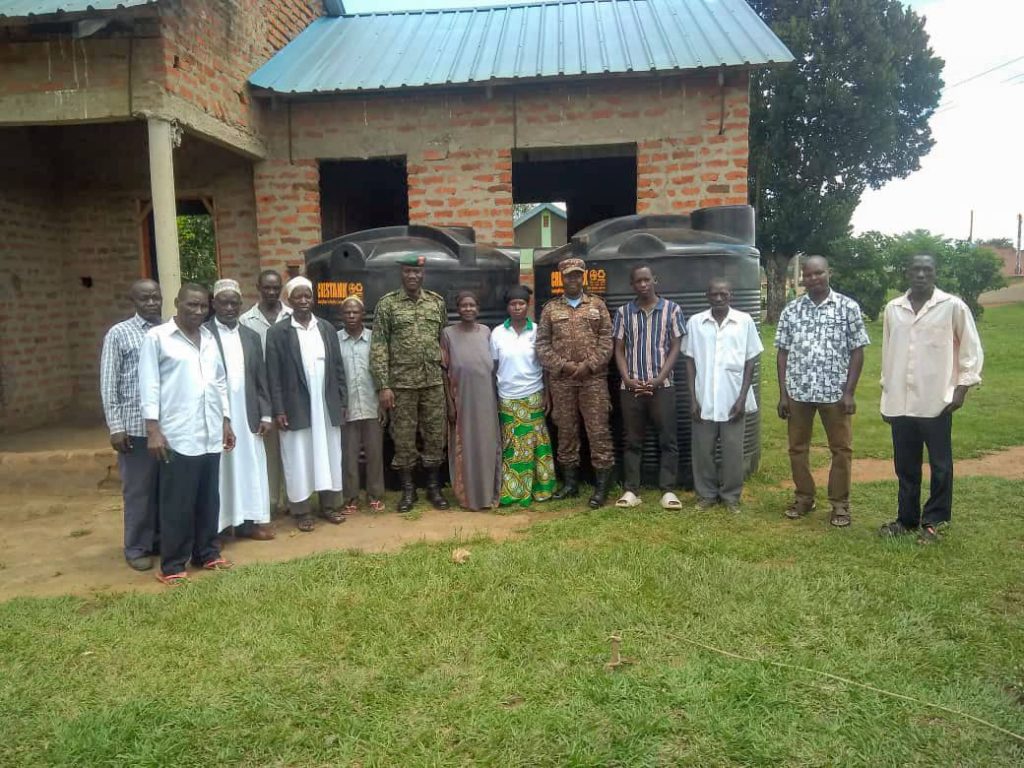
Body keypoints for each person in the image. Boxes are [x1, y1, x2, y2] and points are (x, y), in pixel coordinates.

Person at [878, 254, 984, 543]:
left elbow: (970, 350)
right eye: (916, 269)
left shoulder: (951, 307)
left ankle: (934, 521)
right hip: (901, 401)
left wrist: (961, 388)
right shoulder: (894, 309)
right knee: (905, 466)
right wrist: (887, 393)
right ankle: (907, 519)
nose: (921, 275)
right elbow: (889, 354)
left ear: (935, 273)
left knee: (940, 465)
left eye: (927, 270)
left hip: (937, 400)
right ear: (907, 272)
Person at [139, 283, 235, 585]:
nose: (197, 311)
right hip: (177, 435)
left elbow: (219, 381)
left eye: (203, 306)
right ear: (177, 303)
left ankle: (207, 553)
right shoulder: (157, 339)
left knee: (208, 499)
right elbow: (149, 384)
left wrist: (226, 420)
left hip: (209, 433)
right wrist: (152, 430)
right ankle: (172, 565)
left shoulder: (208, 337)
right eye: (191, 305)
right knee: (176, 503)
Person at [775, 255, 869, 527]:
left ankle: (840, 504)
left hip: (835, 393)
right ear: (802, 277)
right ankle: (804, 497)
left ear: (829, 273)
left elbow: (857, 351)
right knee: (797, 448)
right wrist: (783, 394)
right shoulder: (791, 310)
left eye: (819, 273)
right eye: (809, 274)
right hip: (799, 391)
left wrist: (849, 392)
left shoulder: (847, 307)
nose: (814, 278)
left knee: (841, 449)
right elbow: (782, 353)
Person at [266, 276, 347, 532]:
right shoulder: (278, 332)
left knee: (329, 455)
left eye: (307, 296)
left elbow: (337, 368)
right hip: (295, 406)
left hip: (326, 405)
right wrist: (278, 409)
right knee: (299, 456)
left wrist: (342, 401)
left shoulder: (326, 328)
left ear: (313, 299)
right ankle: (301, 511)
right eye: (298, 297)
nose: (303, 301)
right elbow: (273, 375)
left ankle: (329, 506)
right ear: (288, 300)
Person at [369, 255, 450, 513]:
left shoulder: (436, 303)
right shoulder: (388, 305)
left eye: (416, 271)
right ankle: (408, 490)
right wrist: (383, 385)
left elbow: (444, 341)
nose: (412, 276)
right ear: (401, 274)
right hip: (401, 385)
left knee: (435, 436)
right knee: (403, 439)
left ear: (422, 274)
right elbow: (379, 346)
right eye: (407, 271)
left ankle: (434, 488)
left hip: (432, 383)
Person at [536, 257, 615, 508]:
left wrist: (588, 366)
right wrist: (565, 366)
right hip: (562, 382)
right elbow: (542, 345)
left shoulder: (597, 305)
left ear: (583, 277)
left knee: (598, 431)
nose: (573, 279)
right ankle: (570, 484)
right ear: (561, 278)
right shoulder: (550, 309)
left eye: (577, 275)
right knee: (566, 431)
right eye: (569, 275)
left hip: (593, 381)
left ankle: (602, 487)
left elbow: (607, 341)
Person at [99, 278, 163, 571]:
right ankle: (136, 546)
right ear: (134, 302)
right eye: (145, 299)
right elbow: (109, 382)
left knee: (164, 488)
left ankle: (160, 540)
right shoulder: (119, 334)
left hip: (167, 428)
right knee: (139, 490)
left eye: (155, 297)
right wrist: (116, 426)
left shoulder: (168, 331)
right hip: (134, 429)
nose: (151, 303)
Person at [684, 278, 763, 511]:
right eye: (714, 294)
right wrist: (692, 398)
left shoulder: (744, 321)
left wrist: (741, 397)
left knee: (732, 452)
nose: (719, 298)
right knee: (703, 452)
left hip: (733, 399)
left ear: (731, 296)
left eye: (724, 294)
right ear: (707, 296)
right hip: (704, 397)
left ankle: (731, 497)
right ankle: (706, 495)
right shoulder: (696, 322)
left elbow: (751, 360)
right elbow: (689, 361)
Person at [611, 264, 686, 510]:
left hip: (661, 385)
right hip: (631, 387)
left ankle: (668, 490)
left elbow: (676, 347)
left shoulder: (672, 310)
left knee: (668, 439)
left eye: (646, 280)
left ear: (655, 280)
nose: (643, 284)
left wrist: (659, 377)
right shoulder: (623, 313)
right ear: (632, 285)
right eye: (638, 281)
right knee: (632, 440)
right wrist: (627, 378)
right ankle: (632, 490)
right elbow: (619, 348)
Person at [205, 279, 274, 541]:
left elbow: (261, 379)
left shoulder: (251, 336)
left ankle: (249, 523)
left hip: (249, 415)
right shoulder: (203, 334)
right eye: (225, 302)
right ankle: (220, 527)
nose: (230, 307)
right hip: (217, 417)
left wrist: (266, 414)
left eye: (235, 302)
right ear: (214, 304)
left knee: (250, 468)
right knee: (222, 472)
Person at [489, 285, 556, 507]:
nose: (517, 307)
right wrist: (494, 397)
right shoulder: (497, 333)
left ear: (528, 305)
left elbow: (545, 366)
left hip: (533, 395)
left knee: (537, 444)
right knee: (514, 446)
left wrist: (547, 394)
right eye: (513, 304)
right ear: (507, 307)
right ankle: (515, 491)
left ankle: (542, 489)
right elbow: (493, 367)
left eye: (522, 303)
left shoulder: (537, 331)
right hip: (508, 397)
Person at [441, 291, 501, 510]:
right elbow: (444, 371)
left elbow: (493, 366)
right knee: (465, 448)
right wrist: (450, 403)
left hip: (486, 399)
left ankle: (488, 495)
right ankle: (469, 498)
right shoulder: (448, 334)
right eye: (464, 305)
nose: (468, 309)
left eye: (472, 305)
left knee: (487, 445)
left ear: (478, 308)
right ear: (458, 309)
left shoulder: (486, 332)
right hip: (462, 400)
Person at [239, 269, 291, 517]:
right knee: (268, 449)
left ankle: (292, 498)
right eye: (266, 288)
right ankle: (271, 499)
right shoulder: (245, 321)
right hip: (261, 393)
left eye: (276, 288)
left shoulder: (291, 316)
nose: (271, 292)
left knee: (290, 447)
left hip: (288, 391)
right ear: (258, 287)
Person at [337, 296, 386, 515]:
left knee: (375, 453)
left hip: (372, 405)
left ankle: (375, 496)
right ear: (342, 315)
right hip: (347, 408)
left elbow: (383, 370)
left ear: (363, 314)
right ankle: (351, 498)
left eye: (355, 312)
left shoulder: (375, 339)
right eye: (347, 312)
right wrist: (338, 403)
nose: (351, 316)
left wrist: (383, 402)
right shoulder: (335, 340)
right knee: (349, 455)